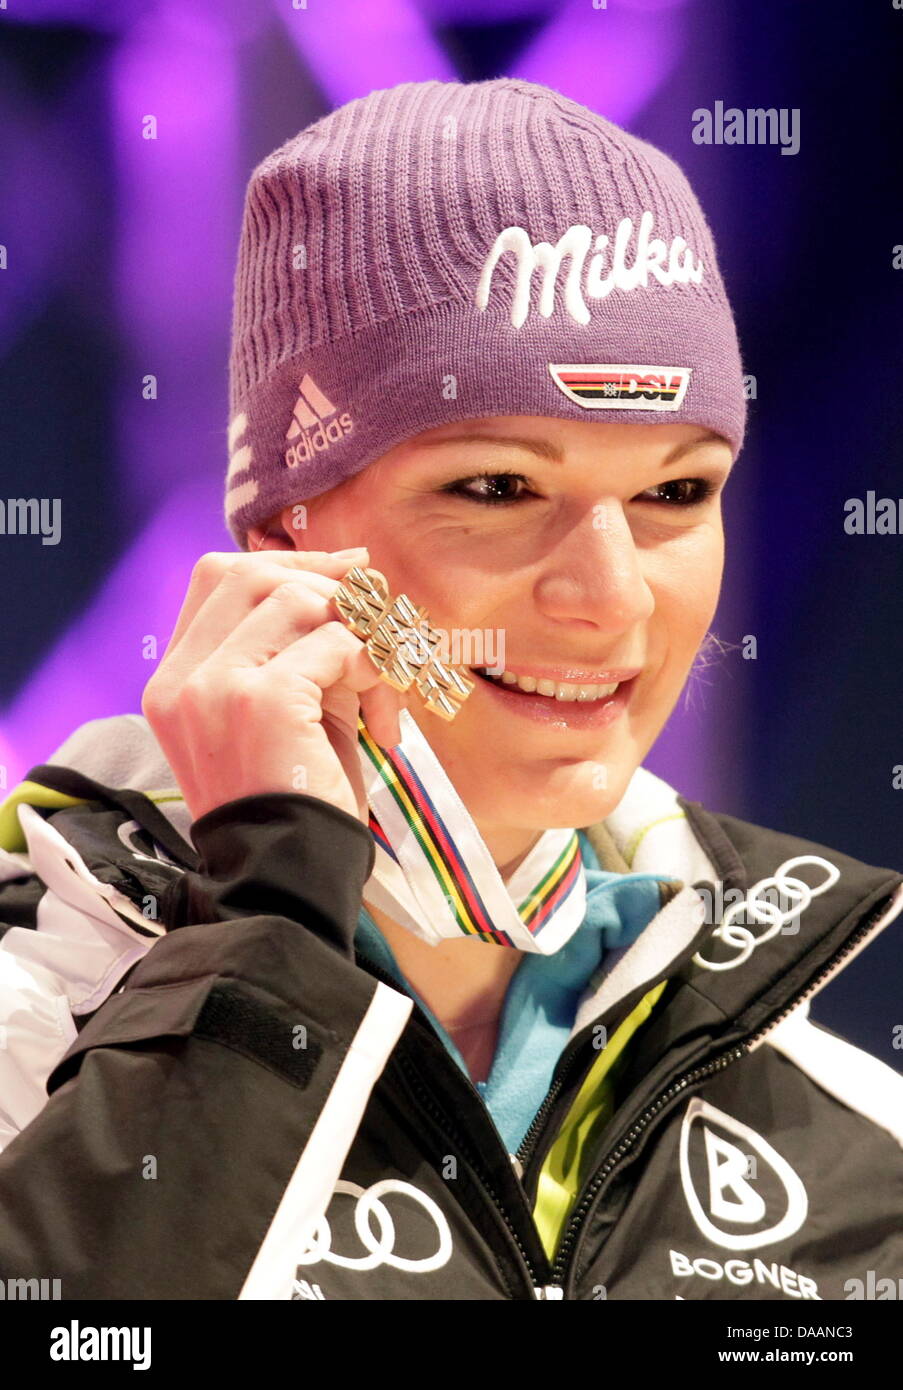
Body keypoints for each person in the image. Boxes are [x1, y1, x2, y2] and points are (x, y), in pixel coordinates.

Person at [0, 76, 901, 1303]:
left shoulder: (850, 1130)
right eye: (496, 488)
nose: (613, 596)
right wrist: (269, 934)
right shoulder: (36, 1009)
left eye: (676, 493)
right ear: (284, 530)